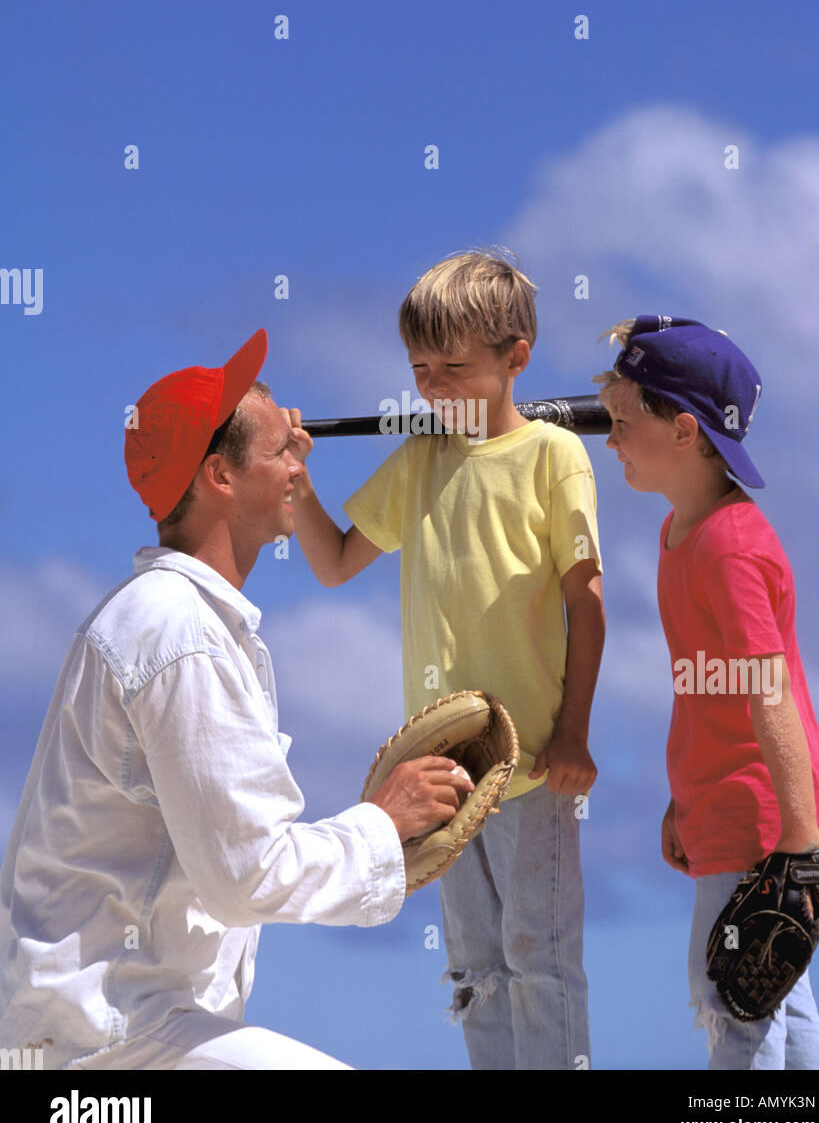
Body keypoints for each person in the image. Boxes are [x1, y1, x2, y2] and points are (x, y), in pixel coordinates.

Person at [0, 328, 471, 1071]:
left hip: (101, 1038)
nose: (302, 457)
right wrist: (381, 825)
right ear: (220, 477)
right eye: (283, 447)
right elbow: (246, 873)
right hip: (112, 1051)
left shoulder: (167, 619)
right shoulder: (181, 633)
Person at [286, 251, 605, 1070]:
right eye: (420, 370)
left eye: (454, 368)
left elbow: (586, 600)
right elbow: (332, 562)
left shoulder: (553, 455)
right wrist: (293, 479)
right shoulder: (421, 461)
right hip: (444, 770)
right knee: (475, 969)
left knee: (540, 957)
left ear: (516, 359)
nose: (433, 388)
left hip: (532, 762)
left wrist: (573, 737)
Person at [596, 314, 819, 1070]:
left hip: (760, 814)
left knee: (731, 1000)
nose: (608, 439)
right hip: (727, 803)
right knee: (777, 1003)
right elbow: (711, 693)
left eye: (623, 420)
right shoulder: (681, 533)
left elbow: (769, 697)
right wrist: (682, 798)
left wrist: (798, 842)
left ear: (685, 431)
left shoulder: (728, 546)